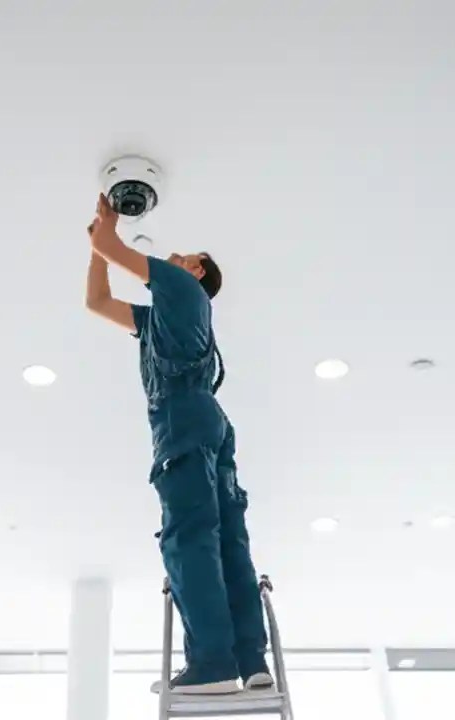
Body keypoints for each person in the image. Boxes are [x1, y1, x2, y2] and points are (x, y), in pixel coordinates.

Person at [83, 193, 273, 695]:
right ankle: (251, 659)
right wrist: (96, 249)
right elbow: (98, 303)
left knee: (189, 537)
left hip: (183, 420)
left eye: (186, 256)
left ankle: (212, 663)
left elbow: (110, 245)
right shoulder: (165, 314)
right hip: (209, 422)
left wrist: (105, 228)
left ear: (193, 270)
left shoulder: (181, 289)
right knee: (227, 539)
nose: (175, 257)